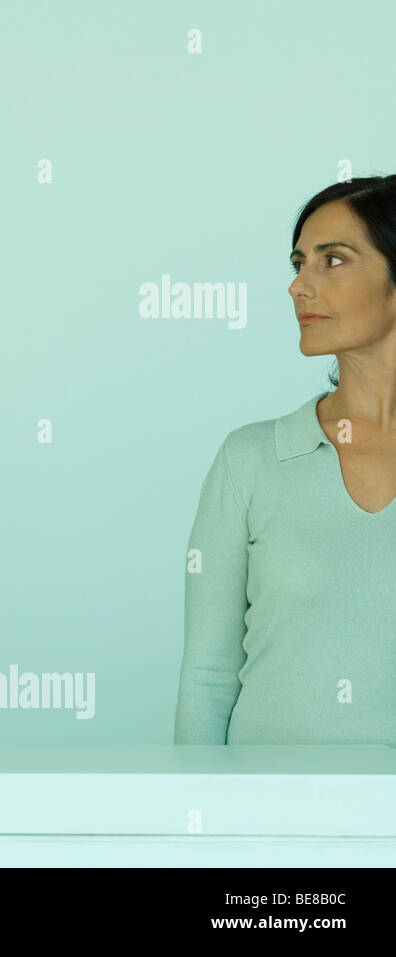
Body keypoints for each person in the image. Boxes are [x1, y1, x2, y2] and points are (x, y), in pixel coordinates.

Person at [176, 174, 396, 745]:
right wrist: (199, 827)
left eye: (333, 261)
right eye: (299, 264)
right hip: (265, 823)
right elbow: (207, 678)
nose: (300, 286)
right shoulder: (249, 460)